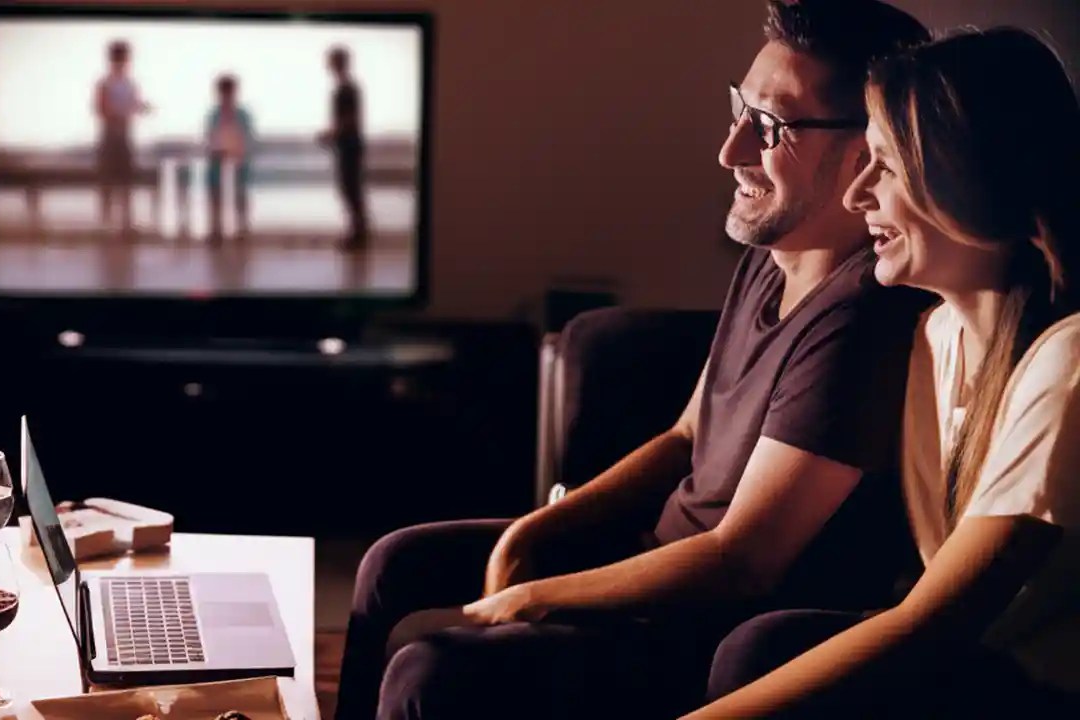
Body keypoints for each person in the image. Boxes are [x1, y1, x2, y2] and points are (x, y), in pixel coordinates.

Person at [334, 2, 931, 718]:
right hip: (647, 561)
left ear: (867, 150)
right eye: (740, 109)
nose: (731, 149)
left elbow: (745, 561)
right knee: (395, 564)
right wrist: (536, 531)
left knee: (431, 673)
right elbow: (687, 435)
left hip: (699, 629)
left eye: (770, 126)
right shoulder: (775, 254)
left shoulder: (861, 319)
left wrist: (530, 597)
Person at [689, 27, 1080, 719]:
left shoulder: (1067, 361)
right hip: (975, 663)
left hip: (1042, 689)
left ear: (971, 179)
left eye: (887, 168)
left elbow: (932, 625)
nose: (857, 196)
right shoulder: (933, 337)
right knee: (761, 647)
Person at [94, 40, 152, 235]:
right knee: (108, 179)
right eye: (120, 58)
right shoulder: (105, 83)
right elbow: (101, 109)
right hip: (110, 134)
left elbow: (134, 105)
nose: (123, 62)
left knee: (126, 179)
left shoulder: (130, 83)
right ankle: (107, 223)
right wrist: (124, 110)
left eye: (124, 58)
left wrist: (141, 107)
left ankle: (126, 223)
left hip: (125, 134)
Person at [318, 45, 368, 250]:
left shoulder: (347, 89)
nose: (328, 65)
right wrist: (332, 134)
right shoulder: (346, 88)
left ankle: (358, 235)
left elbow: (349, 119)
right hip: (348, 143)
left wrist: (331, 134)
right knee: (349, 189)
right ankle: (357, 233)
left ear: (338, 63)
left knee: (350, 189)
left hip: (350, 144)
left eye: (331, 61)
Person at [205, 74, 256, 243]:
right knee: (215, 192)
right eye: (223, 92)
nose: (226, 96)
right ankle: (216, 228)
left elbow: (247, 138)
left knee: (240, 193)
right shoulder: (214, 115)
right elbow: (210, 137)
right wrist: (217, 150)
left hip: (238, 157)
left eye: (229, 92)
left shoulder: (242, 114)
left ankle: (242, 228)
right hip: (218, 157)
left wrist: (237, 152)